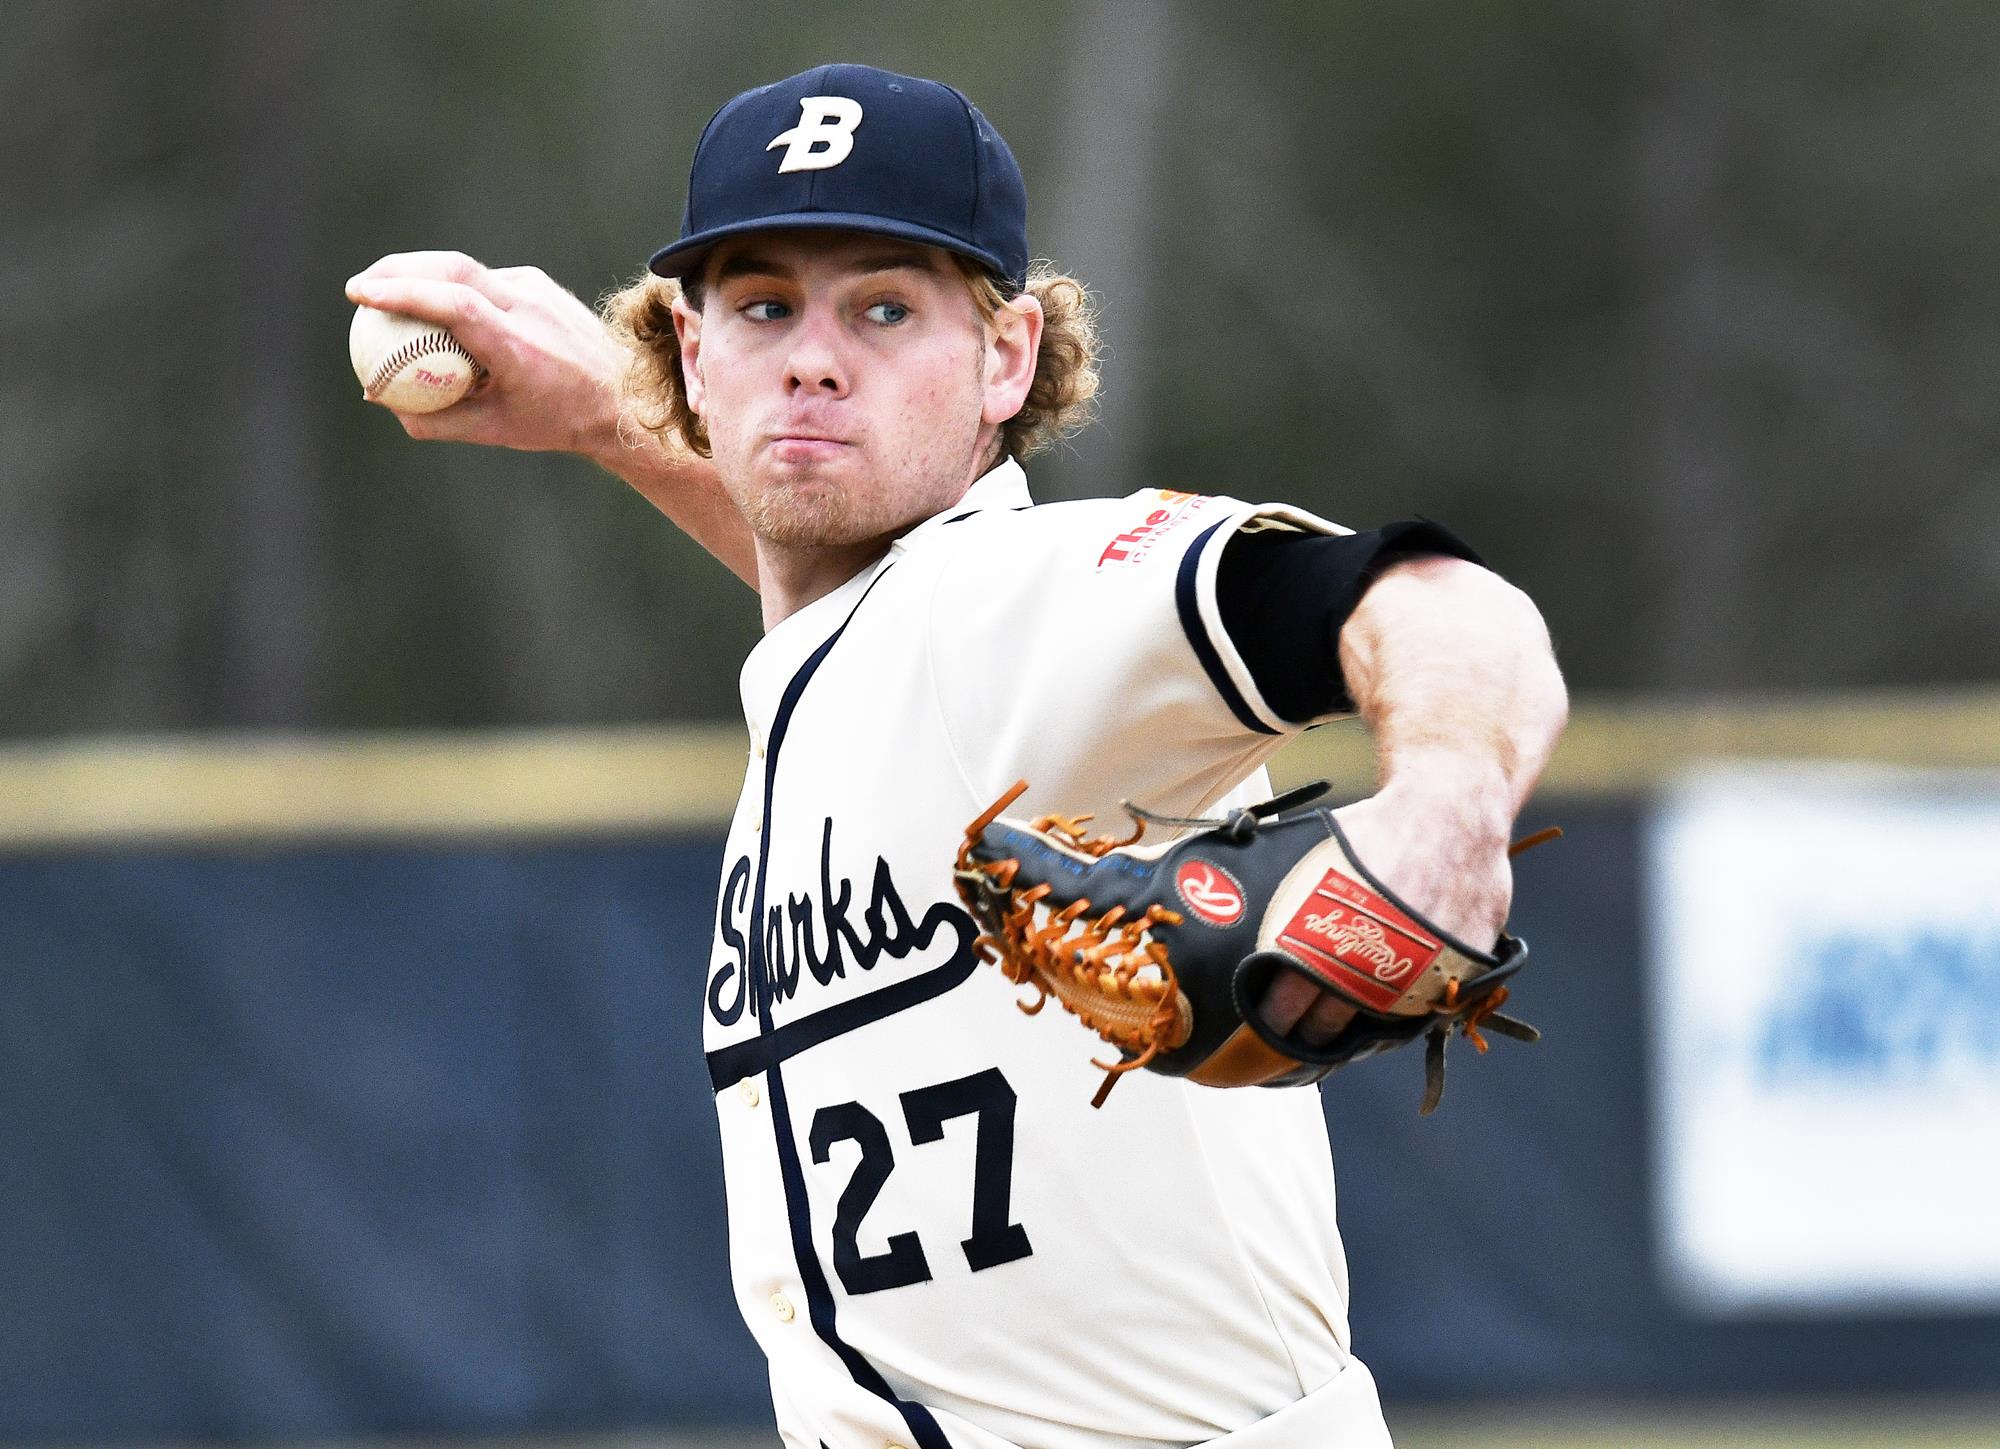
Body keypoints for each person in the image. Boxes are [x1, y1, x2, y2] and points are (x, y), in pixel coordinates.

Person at [349, 63, 1566, 1449]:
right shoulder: (861, 658)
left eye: (883, 307)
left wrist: (1453, 812)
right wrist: (601, 419)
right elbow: (833, 597)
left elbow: (1438, 606)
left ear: (1006, 359)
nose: (812, 355)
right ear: (691, 355)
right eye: (760, 308)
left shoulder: (1022, 595)